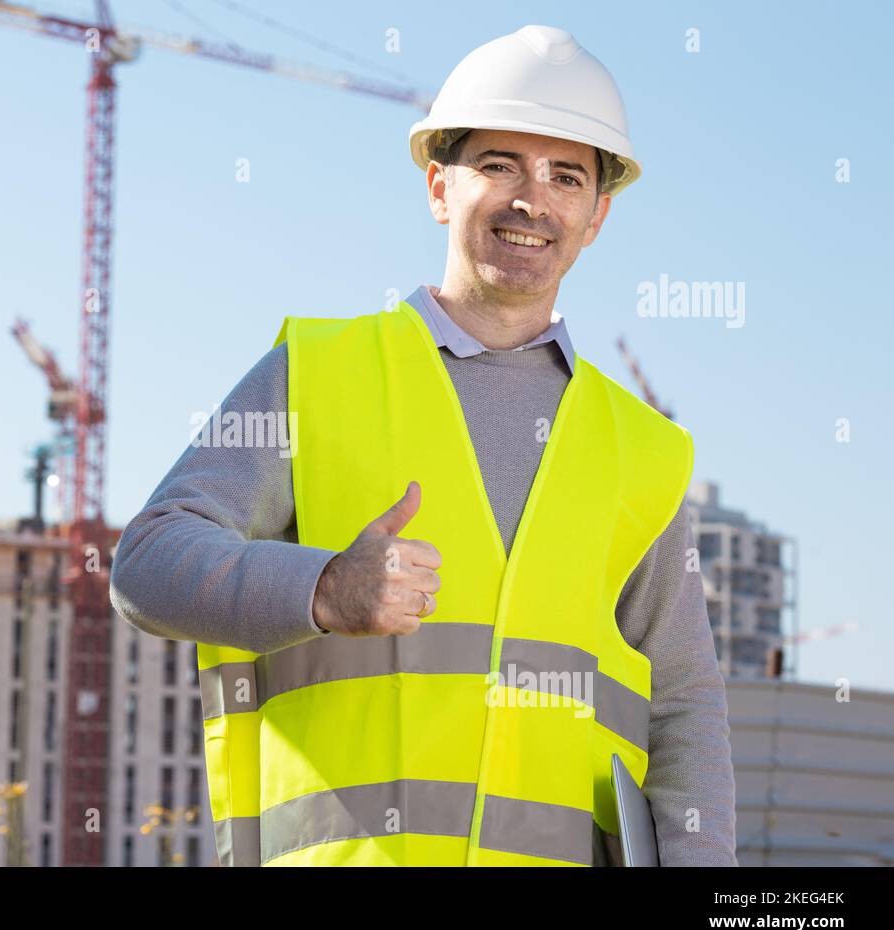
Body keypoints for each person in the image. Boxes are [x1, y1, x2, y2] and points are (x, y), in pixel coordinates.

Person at [110, 24, 736, 867]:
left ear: (596, 216)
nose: (532, 200)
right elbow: (148, 563)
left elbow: (684, 707)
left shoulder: (642, 450)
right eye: (500, 164)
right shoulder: (315, 375)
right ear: (440, 187)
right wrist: (323, 589)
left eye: (565, 176)